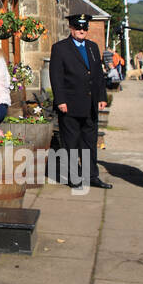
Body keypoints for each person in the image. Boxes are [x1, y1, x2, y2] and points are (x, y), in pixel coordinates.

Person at [49, 13, 112, 189]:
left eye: (85, 28)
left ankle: (91, 175)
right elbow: (56, 77)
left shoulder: (92, 47)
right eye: (78, 27)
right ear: (71, 28)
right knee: (71, 143)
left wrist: (102, 97)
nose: (82, 31)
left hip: (90, 104)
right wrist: (60, 100)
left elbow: (98, 75)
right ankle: (74, 177)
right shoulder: (60, 48)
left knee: (89, 142)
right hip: (69, 104)